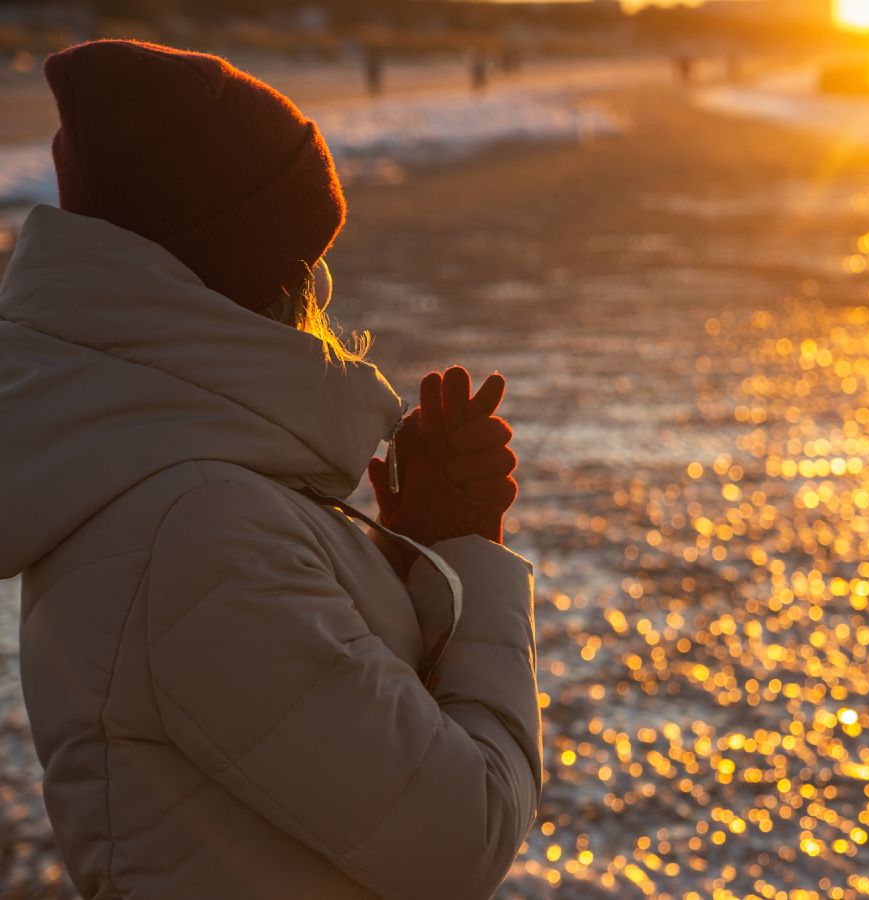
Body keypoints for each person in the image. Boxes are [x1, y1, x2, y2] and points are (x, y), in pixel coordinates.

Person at [0, 39, 542, 899]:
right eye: (305, 261)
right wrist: (475, 557)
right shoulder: (198, 530)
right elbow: (460, 835)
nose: (320, 295)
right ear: (252, 273)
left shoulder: (161, 469)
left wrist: (420, 565)